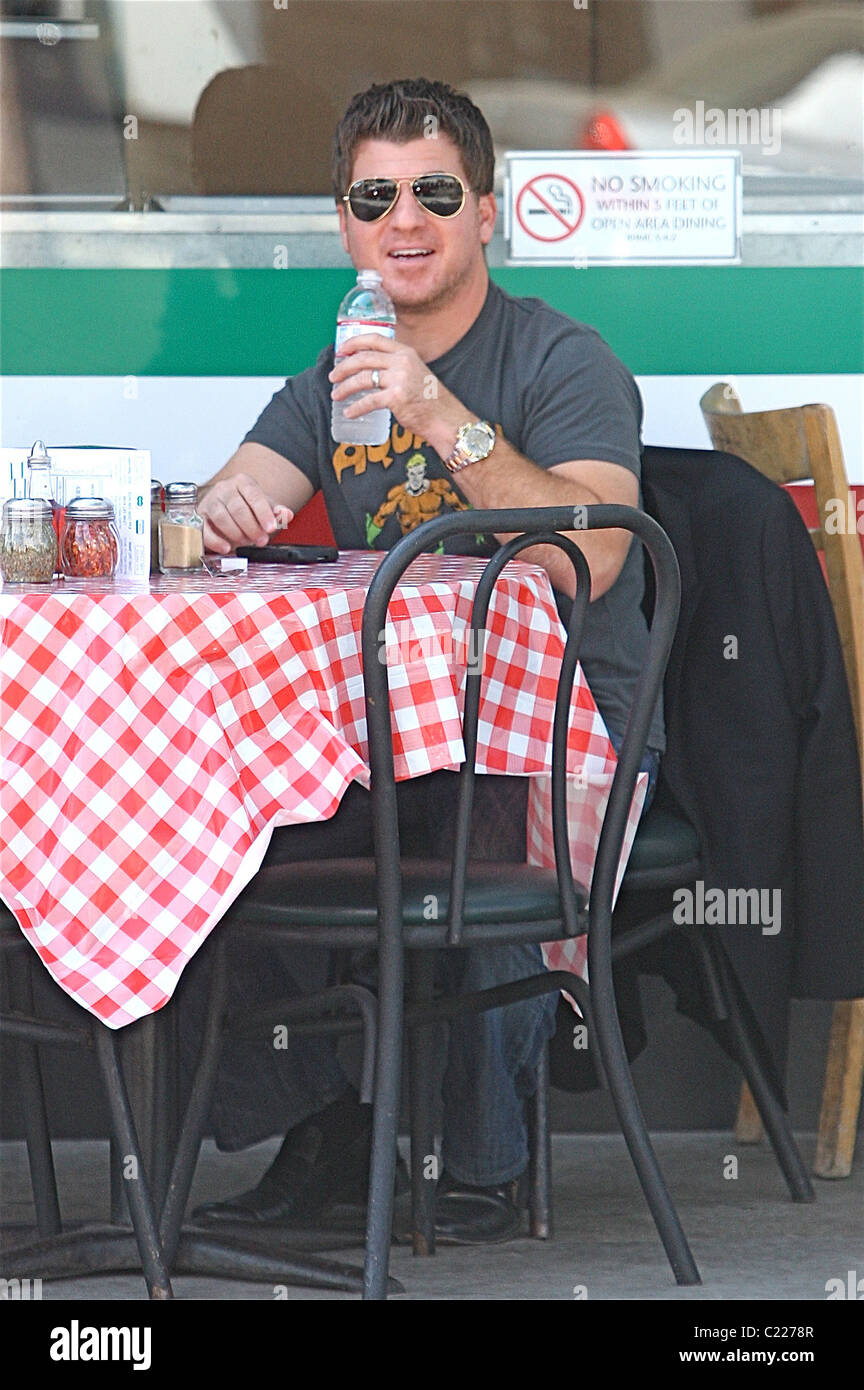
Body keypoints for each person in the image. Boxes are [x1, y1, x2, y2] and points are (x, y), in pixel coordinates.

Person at [188, 76, 664, 1244]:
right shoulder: (335, 373)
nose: (405, 219)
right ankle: (333, 1137)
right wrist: (230, 511)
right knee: (228, 808)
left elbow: (591, 559)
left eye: (435, 192)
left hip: (561, 731)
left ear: (485, 213)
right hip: (394, 724)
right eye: (376, 196)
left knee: (459, 806)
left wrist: (435, 407)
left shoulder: (563, 359)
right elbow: (234, 490)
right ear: (345, 222)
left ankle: (479, 1160)